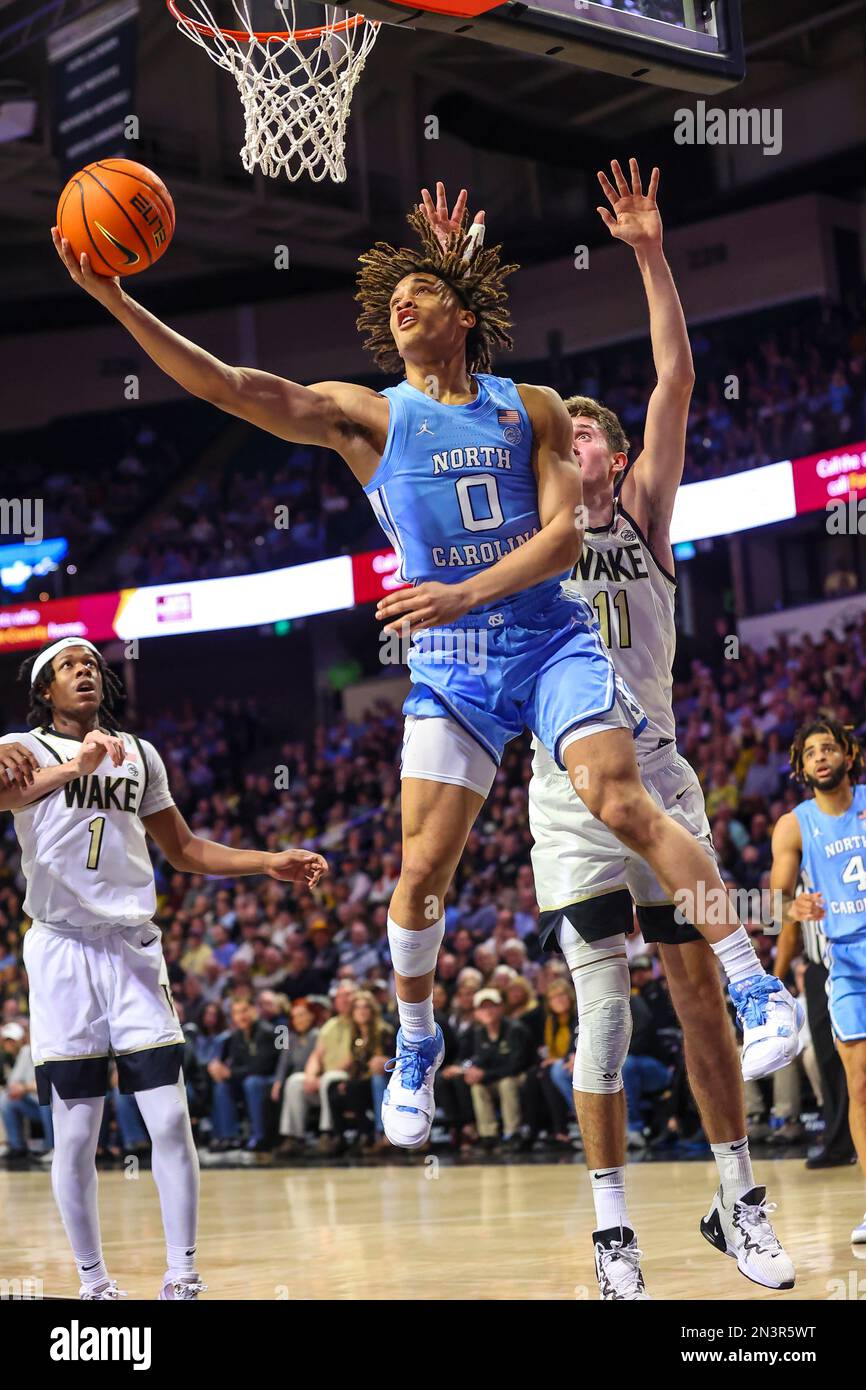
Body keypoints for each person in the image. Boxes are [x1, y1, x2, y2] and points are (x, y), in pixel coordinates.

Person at [52, 179, 796, 1164]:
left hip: (548, 641)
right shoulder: (366, 415)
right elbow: (227, 383)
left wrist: (459, 592)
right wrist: (112, 298)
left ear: (463, 312)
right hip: (454, 670)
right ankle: (413, 1040)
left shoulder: (529, 409)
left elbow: (566, 539)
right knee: (420, 872)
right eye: (391, 296)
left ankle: (752, 981)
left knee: (622, 800)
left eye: (421, 291)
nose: (400, 303)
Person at [525, 159, 796, 1298]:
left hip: (664, 777)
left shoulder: (640, 514)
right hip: (567, 793)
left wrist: (647, 253)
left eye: (589, 430)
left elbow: (674, 378)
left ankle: (737, 1201)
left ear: (615, 457)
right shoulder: (528, 541)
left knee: (697, 998)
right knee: (597, 1016)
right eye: (566, 432)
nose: (578, 437)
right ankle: (610, 1233)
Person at [0, 639, 326, 1301]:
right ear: (44, 691)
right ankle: (94, 1283)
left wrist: (267, 860)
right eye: (68, 665)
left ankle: (183, 1275)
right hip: (62, 949)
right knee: (79, 1130)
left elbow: (184, 850)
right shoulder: (21, 746)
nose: (85, 669)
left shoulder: (140, 754)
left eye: (92, 662)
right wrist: (75, 767)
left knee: (172, 1121)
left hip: (131, 949)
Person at [770, 718, 866, 1244]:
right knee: (859, 1086)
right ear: (801, 768)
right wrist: (794, 904)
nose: (821, 757)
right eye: (811, 753)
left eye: (830, 748)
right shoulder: (793, 824)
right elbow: (776, 900)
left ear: (849, 756)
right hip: (846, 963)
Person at [458, 988, 533, 1149]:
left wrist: (484, 1074)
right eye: (483, 1007)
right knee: (477, 1087)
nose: (488, 1011)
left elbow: (516, 1065)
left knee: (507, 1083)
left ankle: (512, 1133)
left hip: (521, 1076)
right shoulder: (479, 1033)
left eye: (492, 1006)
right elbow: (477, 1060)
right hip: (494, 1078)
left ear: (501, 1008)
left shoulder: (515, 1029)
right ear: (476, 1012)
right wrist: (471, 1071)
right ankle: (488, 1135)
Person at [328, 991, 393, 1153]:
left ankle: (381, 1134)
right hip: (362, 1081)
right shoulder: (355, 1035)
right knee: (335, 1089)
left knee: (357, 1087)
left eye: (365, 1008)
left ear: (372, 1010)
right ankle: (340, 1137)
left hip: (384, 1079)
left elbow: (396, 1058)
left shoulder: (384, 1031)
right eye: (357, 1008)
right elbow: (356, 1066)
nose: (361, 1011)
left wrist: (386, 1061)